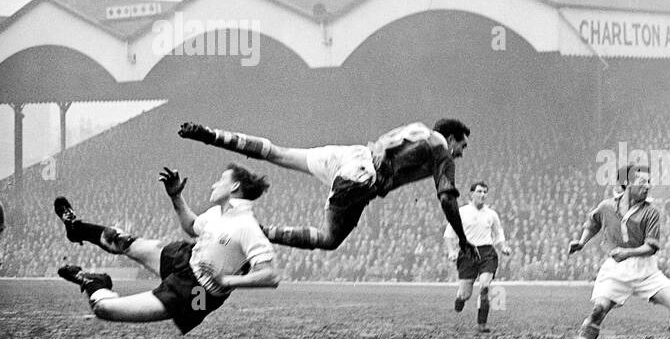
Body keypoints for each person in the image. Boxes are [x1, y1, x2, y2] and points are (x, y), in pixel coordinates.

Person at [177, 119, 476, 256]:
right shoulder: (443, 152)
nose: (460, 153)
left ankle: (210, 134)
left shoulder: (418, 128)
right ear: (451, 138)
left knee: (277, 153)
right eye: (461, 145)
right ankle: (259, 232)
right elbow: (447, 198)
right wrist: (463, 240)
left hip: (349, 154)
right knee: (329, 239)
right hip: (362, 177)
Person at [54, 164, 278, 332]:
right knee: (122, 240)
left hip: (195, 291)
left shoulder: (247, 226)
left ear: (235, 186)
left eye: (221, 180)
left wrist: (229, 281)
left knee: (104, 309)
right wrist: (176, 196)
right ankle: (77, 229)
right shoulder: (217, 213)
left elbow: (269, 275)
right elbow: (191, 226)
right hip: (185, 258)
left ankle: (95, 283)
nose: (214, 184)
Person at [564, 165, 670, 339]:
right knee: (599, 309)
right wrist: (582, 242)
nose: (647, 186)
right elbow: (593, 223)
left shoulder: (650, 212)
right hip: (616, 270)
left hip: (646, 269)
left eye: (648, 182)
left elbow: (651, 247)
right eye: (641, 182)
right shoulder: (607, 206)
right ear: (626, 184)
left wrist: (626, 253)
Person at [443, 180, 511, 333]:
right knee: (466, 294)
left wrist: (503, 247)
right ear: (472, 194)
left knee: (485, 286)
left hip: (487, 253)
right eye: (479, 192)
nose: (483, 195)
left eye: (485, 192)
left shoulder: (491, 214)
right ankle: (460, 298)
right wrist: (451, 251)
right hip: (467, 253)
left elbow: (498, 234)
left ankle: (482, 323)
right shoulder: (461, 212)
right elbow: (448, 234)